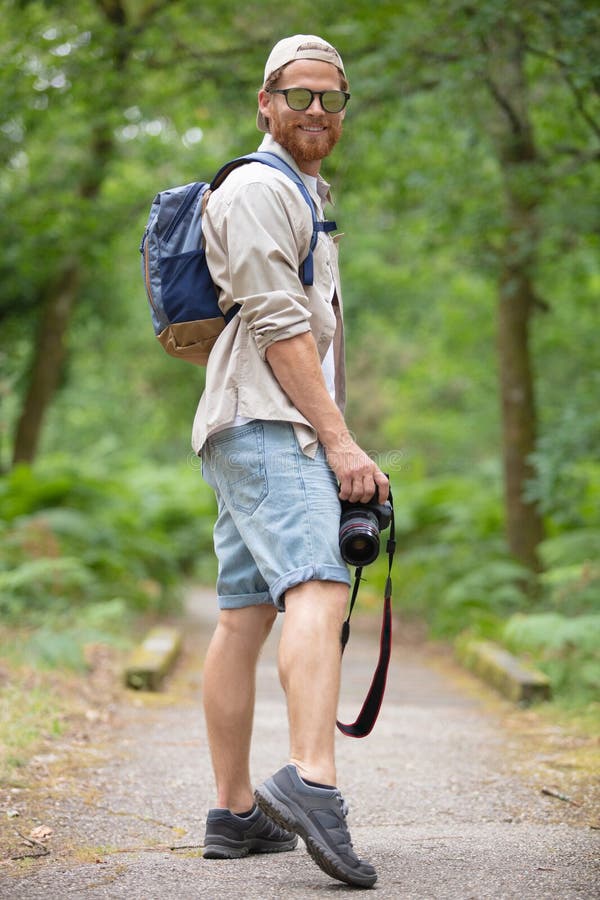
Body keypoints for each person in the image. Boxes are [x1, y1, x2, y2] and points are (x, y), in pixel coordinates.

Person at [194, 34, 388, 889]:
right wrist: (340, 440)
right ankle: (312, 782)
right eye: (299, 95)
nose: (316, 111)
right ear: (265, 102)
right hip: (274, 426)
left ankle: (235, 815)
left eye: (330, 99)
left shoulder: (305, 192)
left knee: (244, 612)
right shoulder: (259, 189)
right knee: (316, 583)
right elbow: (280, 327)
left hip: (249, 423)